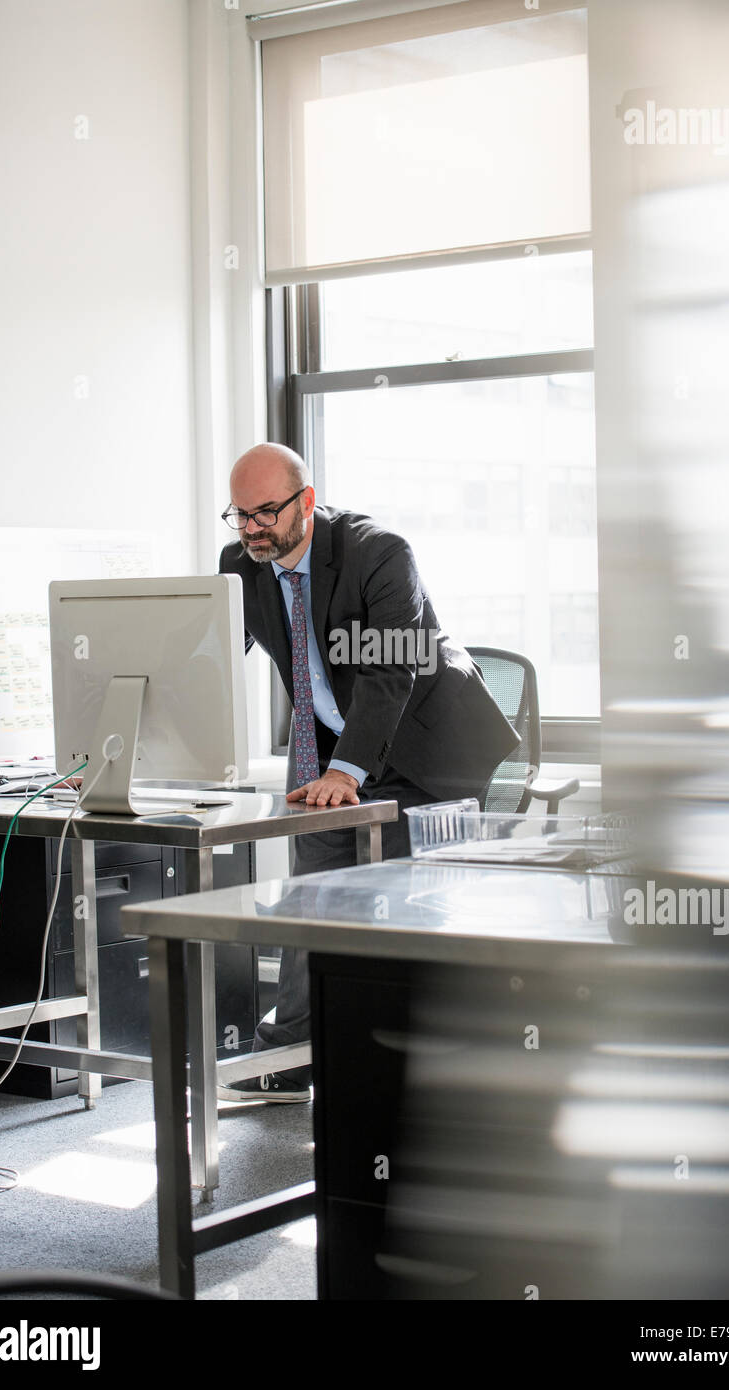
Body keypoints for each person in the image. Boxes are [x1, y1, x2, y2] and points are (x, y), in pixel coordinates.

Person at [218, 443, 519, 1100]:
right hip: (333, 752)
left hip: (427, 751)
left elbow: (389, 675)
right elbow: (205, 650)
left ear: (305, 501)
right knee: (314, 894)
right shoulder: (240, 563)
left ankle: (429, 1061)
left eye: (264, 512)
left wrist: (348, 771)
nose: (250, 529)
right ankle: (295, 1052)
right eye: (238, 515)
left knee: (409, 902)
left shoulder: (379, 552)